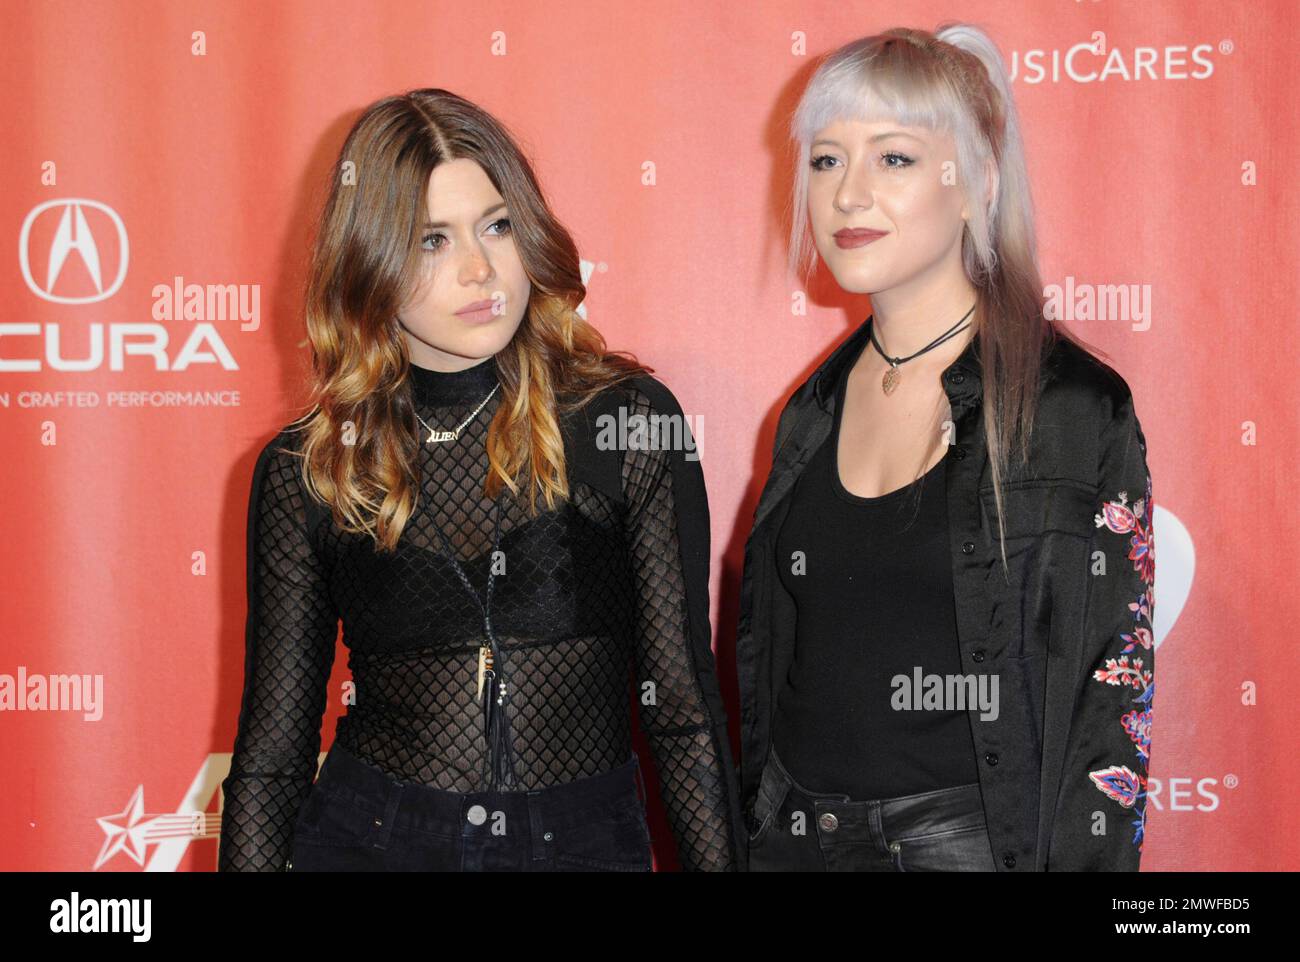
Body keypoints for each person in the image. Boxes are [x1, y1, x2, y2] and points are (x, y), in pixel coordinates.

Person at [218, 88, 742, 872]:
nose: (479, 268)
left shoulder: (625, 422)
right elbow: (273, 754)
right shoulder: (312, 468)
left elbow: (684, 711)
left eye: (496, 226)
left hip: (585, 843)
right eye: (432, 241)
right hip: (374, 843)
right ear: (372, 261)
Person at [738, 24, 1155, 871]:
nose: (848, 195)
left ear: (978, 185)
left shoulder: (1074, 409)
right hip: (791, 840)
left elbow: (1112, 706)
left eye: (892, 158)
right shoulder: (809, 410)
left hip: (965, 850)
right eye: (825, 159)